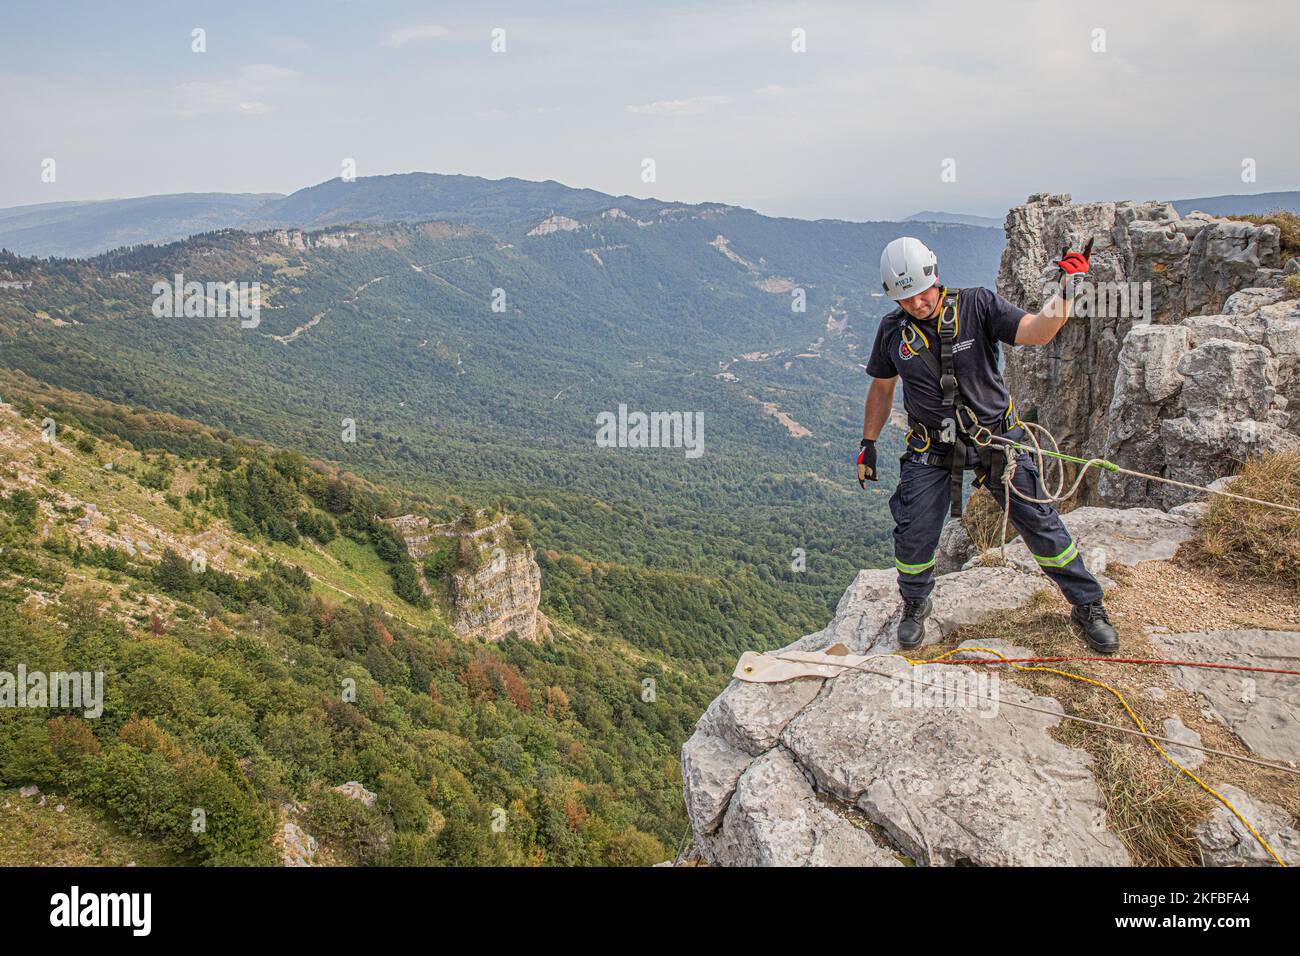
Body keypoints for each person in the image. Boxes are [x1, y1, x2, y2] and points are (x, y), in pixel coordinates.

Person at [856, 236, 1119, 653]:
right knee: (914, 532)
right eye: (906, 299)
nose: (918, 304)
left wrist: (1067, 291)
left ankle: (1088, 605)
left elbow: (1036, 332)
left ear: (935, 278)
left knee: (1040, 523)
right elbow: (882, 389)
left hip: (996, 438)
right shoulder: (892, 331)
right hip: (933, 448)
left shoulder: (977, 305)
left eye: (922, 293)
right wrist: (868, 443)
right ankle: (915, 602)